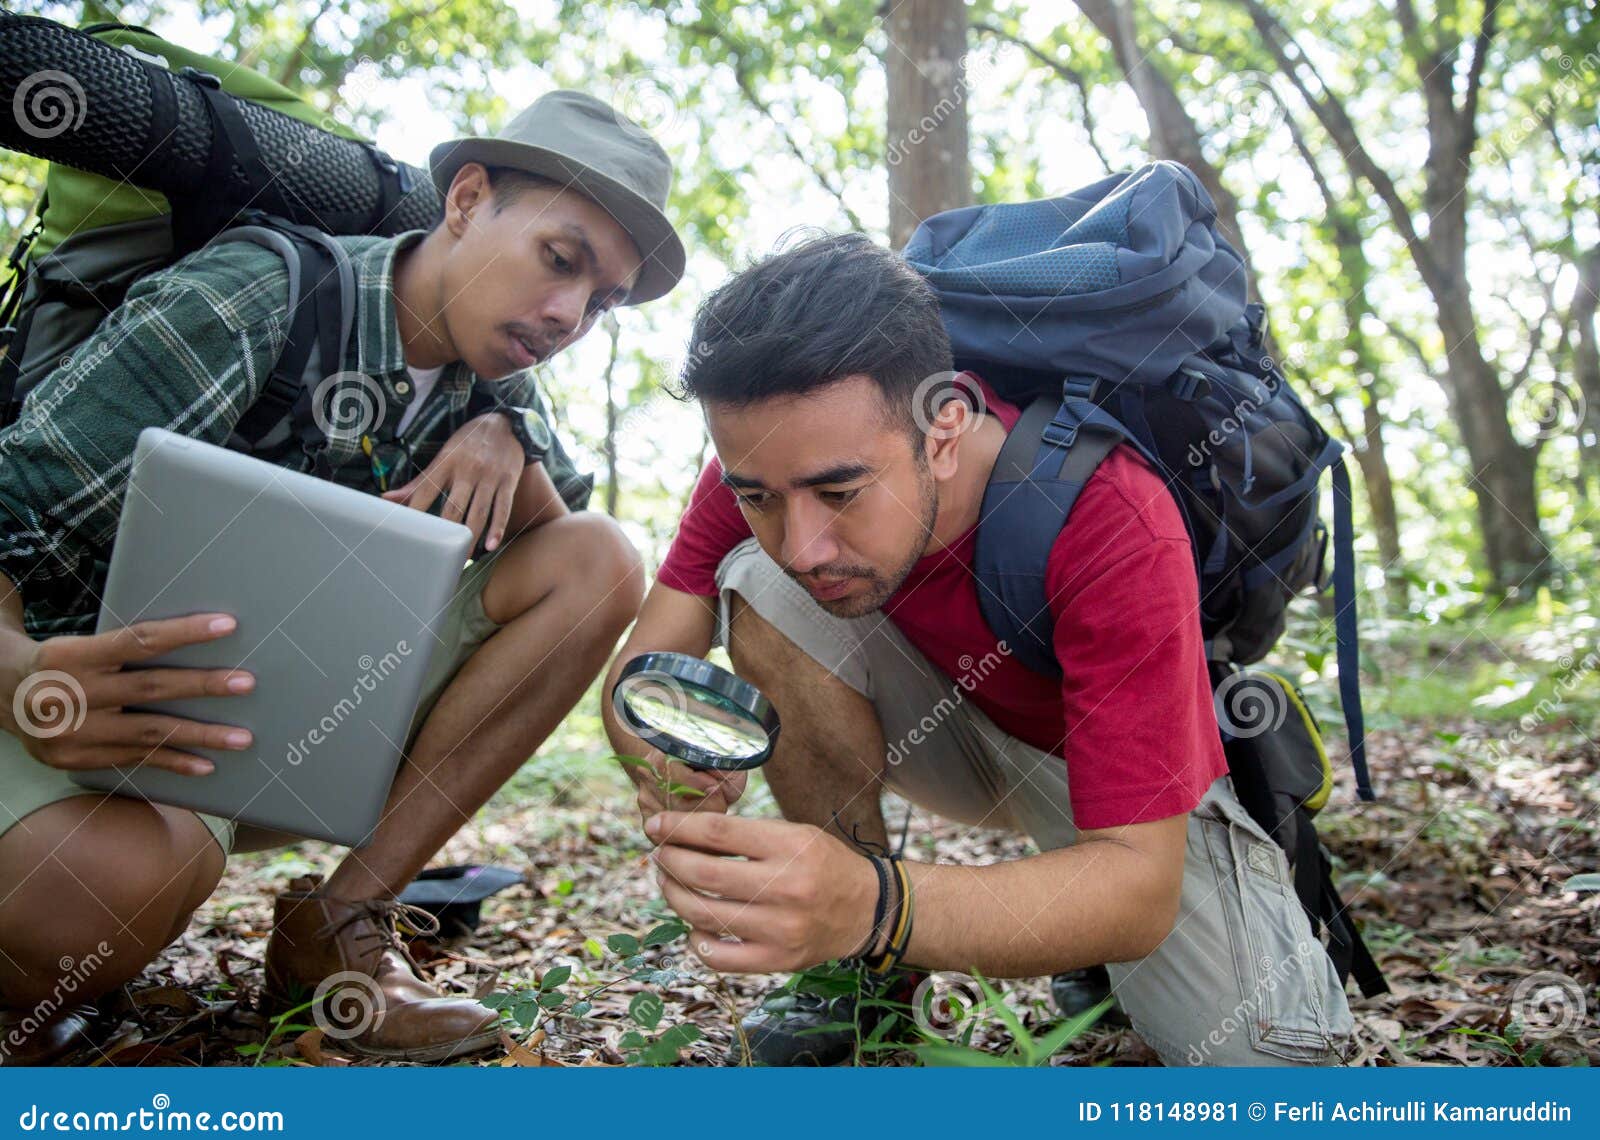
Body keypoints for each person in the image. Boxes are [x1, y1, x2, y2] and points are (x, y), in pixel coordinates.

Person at [0, 91, 684, 1065]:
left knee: (601, 555)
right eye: (561, 259)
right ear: (467, 198)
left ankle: (341, 921)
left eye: (602, 301)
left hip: (273, 728)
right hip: (71, 710)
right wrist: (25, 677)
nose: (571, 314)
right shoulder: (254, 300)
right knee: (114, 892)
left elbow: (569, 566)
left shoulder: (496, 381)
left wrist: (506, 432)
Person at [603, 233, 1354, 1067]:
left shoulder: (1111, 517)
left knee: (1265, 1066)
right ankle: (863, 976)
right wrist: (663, 760)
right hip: (947, 728)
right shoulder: (778, 461)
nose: (803, 542)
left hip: (1104, 779)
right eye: (757, 496)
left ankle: (1031, 931)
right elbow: (644, 669)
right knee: (756, 579)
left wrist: (875, 903)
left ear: (946, 428)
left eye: (842, 492)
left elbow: (1141, 886)